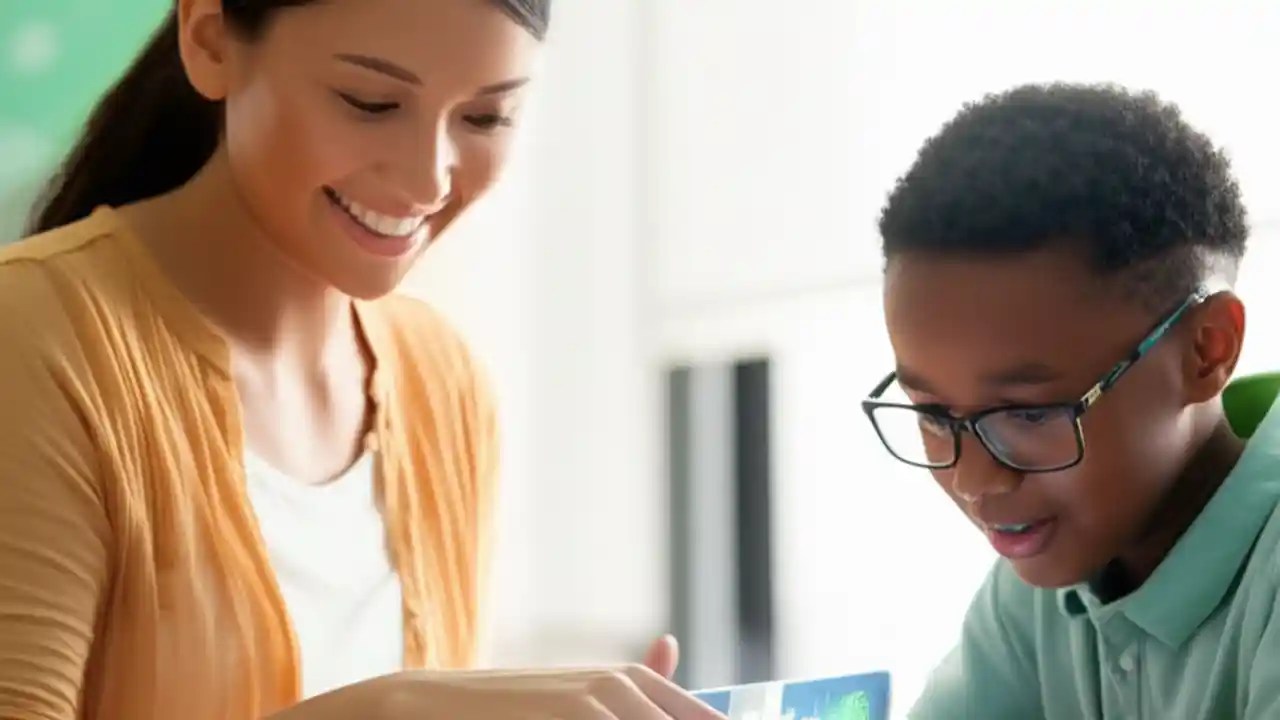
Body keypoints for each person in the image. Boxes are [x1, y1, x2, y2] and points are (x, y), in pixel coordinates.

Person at [0, 1, 721, 719]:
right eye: (370, 103)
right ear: (211, 39)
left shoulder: (440, 378)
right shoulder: (35, 336)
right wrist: (387, 709)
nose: (429, 180)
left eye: (484, 118)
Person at [863, 82, 1280, 718]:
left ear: (1206, 351)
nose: (975, 481)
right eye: (934, 415)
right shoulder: (1046, 583)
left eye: (1030, 414)